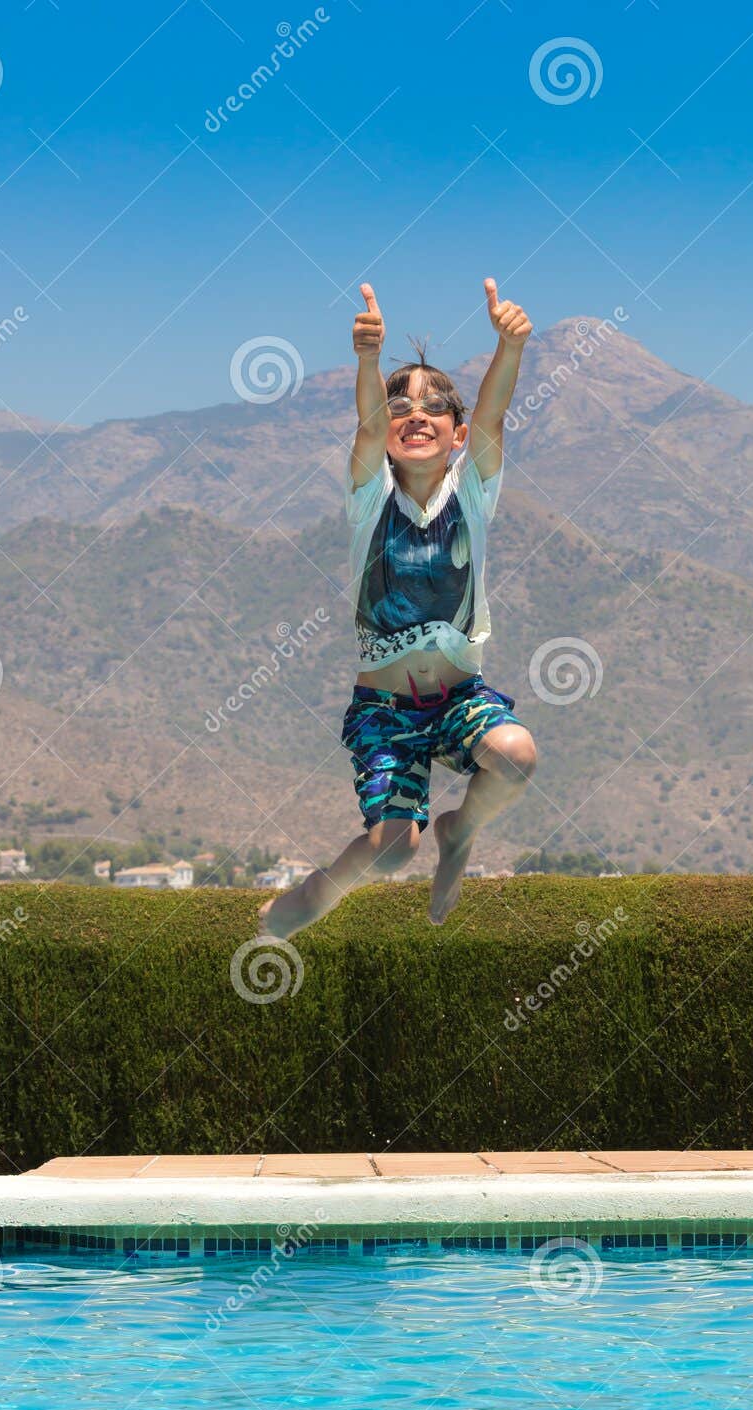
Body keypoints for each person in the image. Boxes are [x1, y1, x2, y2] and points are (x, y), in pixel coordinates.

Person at [259, 278, 536, 937]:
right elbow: (364, 424)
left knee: (516, 754)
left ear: (458, 432)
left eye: (434, 407)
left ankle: (459, 830)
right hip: (384, 714)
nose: (415, 415)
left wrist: (509, 347)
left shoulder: (472, 497)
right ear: (384, 430)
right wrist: (366, 362)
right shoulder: (367, 499)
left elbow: (495, 417)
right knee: (391, 849)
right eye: (398, 406)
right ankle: (318, 892)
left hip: (457, 697)